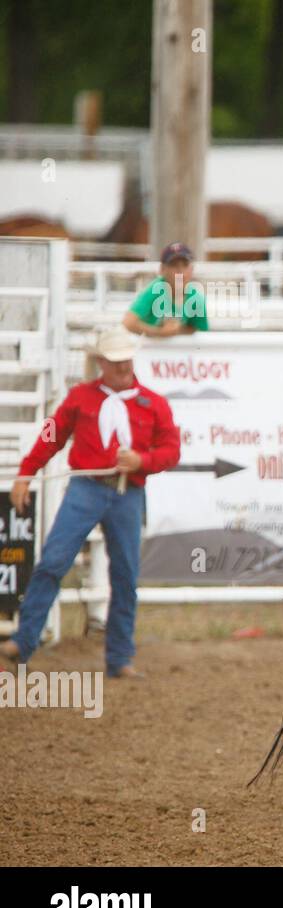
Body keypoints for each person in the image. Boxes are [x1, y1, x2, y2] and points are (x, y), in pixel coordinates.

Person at [0, 326, 180, 678]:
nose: (123, 366)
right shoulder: (80, 398)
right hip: (86, 488)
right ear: (101, 362)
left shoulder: (153, 404)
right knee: (54, 560)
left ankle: (119, 657)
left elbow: (171, 449)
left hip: (127, 492)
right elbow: (51, 434)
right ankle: (24, 640)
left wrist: (143, 461)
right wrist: (26, 472)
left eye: (126, 359)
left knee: (125, 575)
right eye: (115, 361)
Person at [122, 242, 207, 338]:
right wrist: (161, 332)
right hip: (147, 350)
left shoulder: (196, 298)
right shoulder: (155, 290)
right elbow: (128, 323)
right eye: (174, 265)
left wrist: (176, 330)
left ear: (191, 269)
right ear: (162, 270)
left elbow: (200, 331)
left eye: (185, 265)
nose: (180, 270)